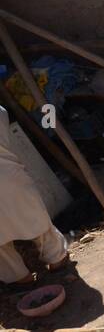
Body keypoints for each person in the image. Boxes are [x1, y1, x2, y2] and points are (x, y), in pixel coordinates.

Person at [0, 107, 69, 286]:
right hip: (10, 178)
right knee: (37, 222)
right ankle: (56, 259)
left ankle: (19, 278)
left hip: (9, 178)